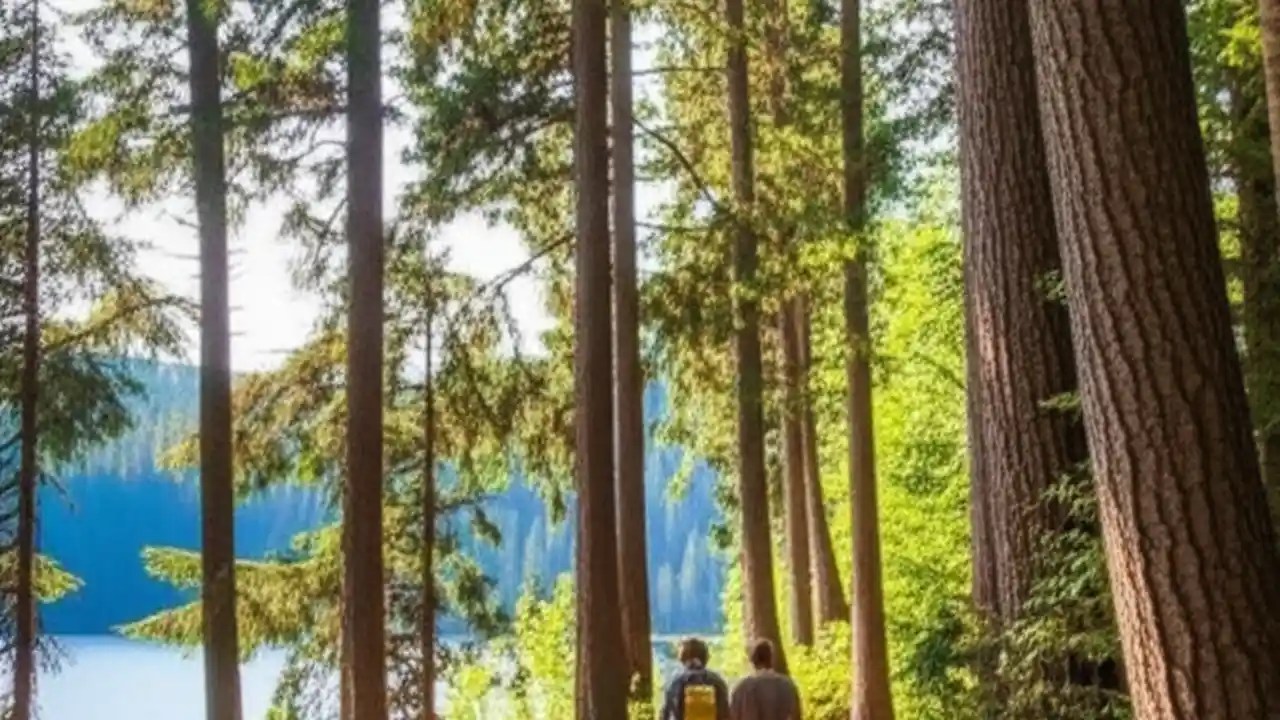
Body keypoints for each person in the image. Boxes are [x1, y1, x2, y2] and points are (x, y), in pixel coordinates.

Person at [728, 640, 802, 720]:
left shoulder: (741, 687)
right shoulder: (788, 685)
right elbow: (796, 715)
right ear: (771, 659)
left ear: (753, 660)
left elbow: (732, 715)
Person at [660, 637, 730, 720]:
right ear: (705, 657)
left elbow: (665, 715)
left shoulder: (675, 681)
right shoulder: (717, 681)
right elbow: (725, 714)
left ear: (682, 657)